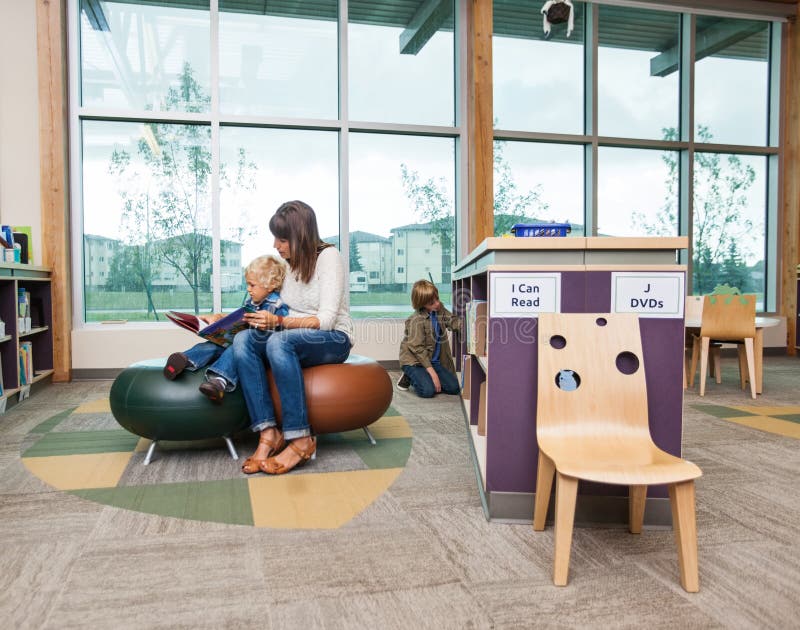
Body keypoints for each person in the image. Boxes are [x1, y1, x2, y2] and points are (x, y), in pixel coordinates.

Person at [234, 200, 353, 475]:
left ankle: (300, 438)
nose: (276, 245)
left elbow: (326, 320)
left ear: (300, 236)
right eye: (276, 238)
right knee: (243, 341)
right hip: (292, 335)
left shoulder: (329, 257)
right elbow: (277, 306)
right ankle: (268, 432)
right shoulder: (288, 266)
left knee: (279, 341)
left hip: (333, 337)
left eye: (282, 239)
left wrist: (279, 323)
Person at [162, 255, 288, 403]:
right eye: (247, 284)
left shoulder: (277, 305)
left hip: (258, 351)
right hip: (240, 342)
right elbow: (239, 318)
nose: (248, 289)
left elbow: (281, 333)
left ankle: (219, 381)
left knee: (235, 348)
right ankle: (185, 360)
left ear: (271, 284)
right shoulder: (252, 303)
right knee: (213, 345)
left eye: (252, 285)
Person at [397, 279, 462, 398]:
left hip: (433, 360)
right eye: (432, 303)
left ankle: (424, 377)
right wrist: (433, 374)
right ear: (422, 304)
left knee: (454, 388)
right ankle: (409, 375)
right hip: (415, 361)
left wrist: (466, 326)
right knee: (427, 391)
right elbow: (418, 349)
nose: (437, 304)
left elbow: (452, 321)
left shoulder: (439, 308)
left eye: (437, 298)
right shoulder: (416, 320)